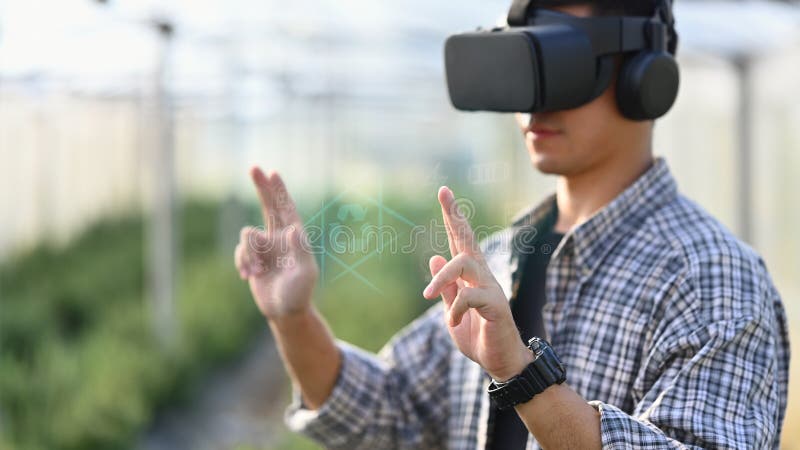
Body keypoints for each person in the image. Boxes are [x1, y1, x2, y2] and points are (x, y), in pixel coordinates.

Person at [233, 0, 790, 448]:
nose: (534, 103)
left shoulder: (711, 280)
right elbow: (390, 412)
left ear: (645, 75)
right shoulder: (504, 258)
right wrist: (294, 320)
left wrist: (522, 375)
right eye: (527, 67)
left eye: (562, 66)